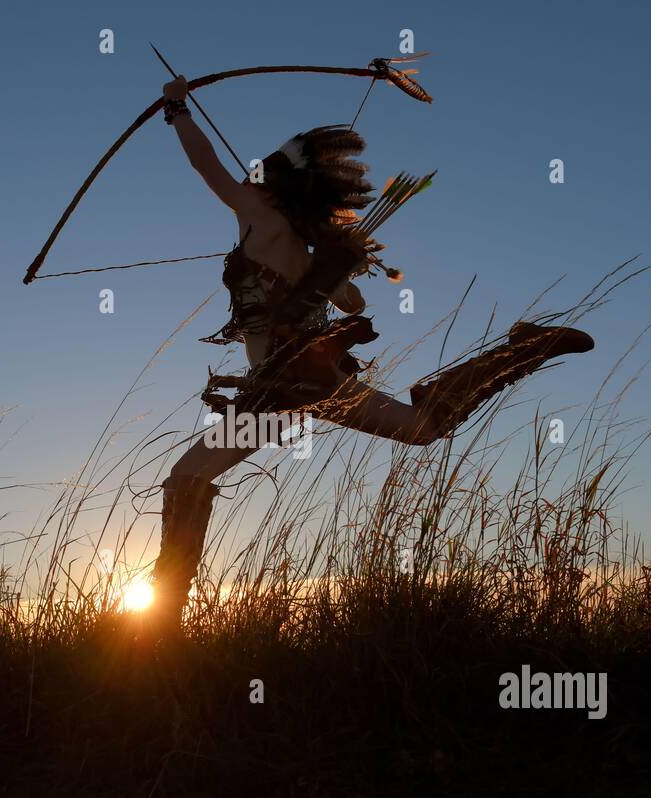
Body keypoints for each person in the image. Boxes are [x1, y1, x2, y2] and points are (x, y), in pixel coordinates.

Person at [149, 75, 594, 628]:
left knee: (187, 477)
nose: (246, 178)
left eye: (257, 174)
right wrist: (325, 270)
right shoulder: (307, 248)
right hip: (304, 384)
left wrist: (176, 109)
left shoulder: (257, 217)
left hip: (282, 388)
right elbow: (353, 298)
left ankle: (164, 614)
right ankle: (523, 349)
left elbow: (204, 164)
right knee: (423, 428)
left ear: (270, 188)